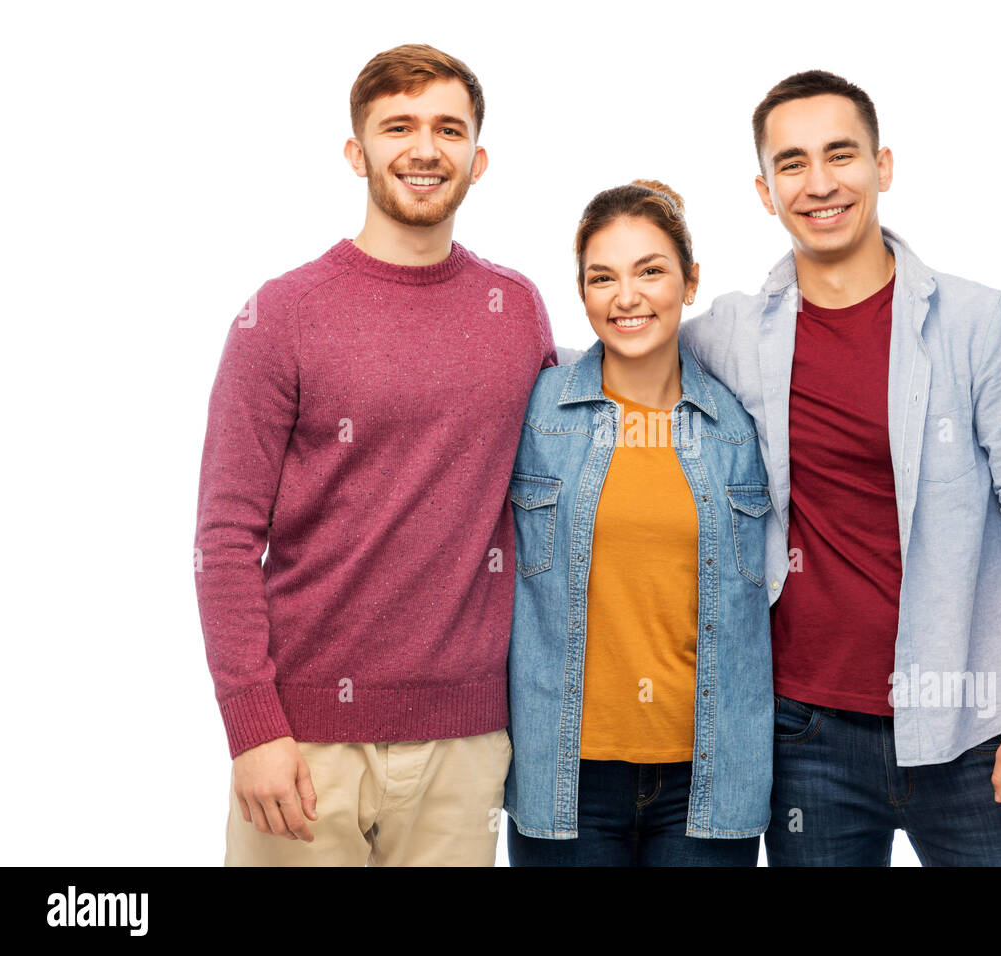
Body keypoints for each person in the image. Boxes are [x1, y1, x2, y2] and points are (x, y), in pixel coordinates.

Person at [679, 70, 1001, 866]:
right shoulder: (731, 336)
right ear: (765, 191)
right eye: (792, 163)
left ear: (884, 166)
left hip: (975, 730)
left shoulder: (983, 326)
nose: (820, 182)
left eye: (842, 155)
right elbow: (631, 350)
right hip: (807, 736)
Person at [193, 43, 556, 866]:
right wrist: (252, 728)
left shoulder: (517, 310)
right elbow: (223, 540)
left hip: (466, 744)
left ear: (478, 157)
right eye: (399, 127)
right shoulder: (281, 315)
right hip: (303, 744)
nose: (425, 149)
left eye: (447, 129)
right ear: (357, 152)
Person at [504, 180, 774, 866]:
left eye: (650, 270)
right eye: (603, 277)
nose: (627, 297)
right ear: (583, 292)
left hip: (708, 783)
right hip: (566, 778)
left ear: (691, 283)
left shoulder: (743, 426)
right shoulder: (536, 411)